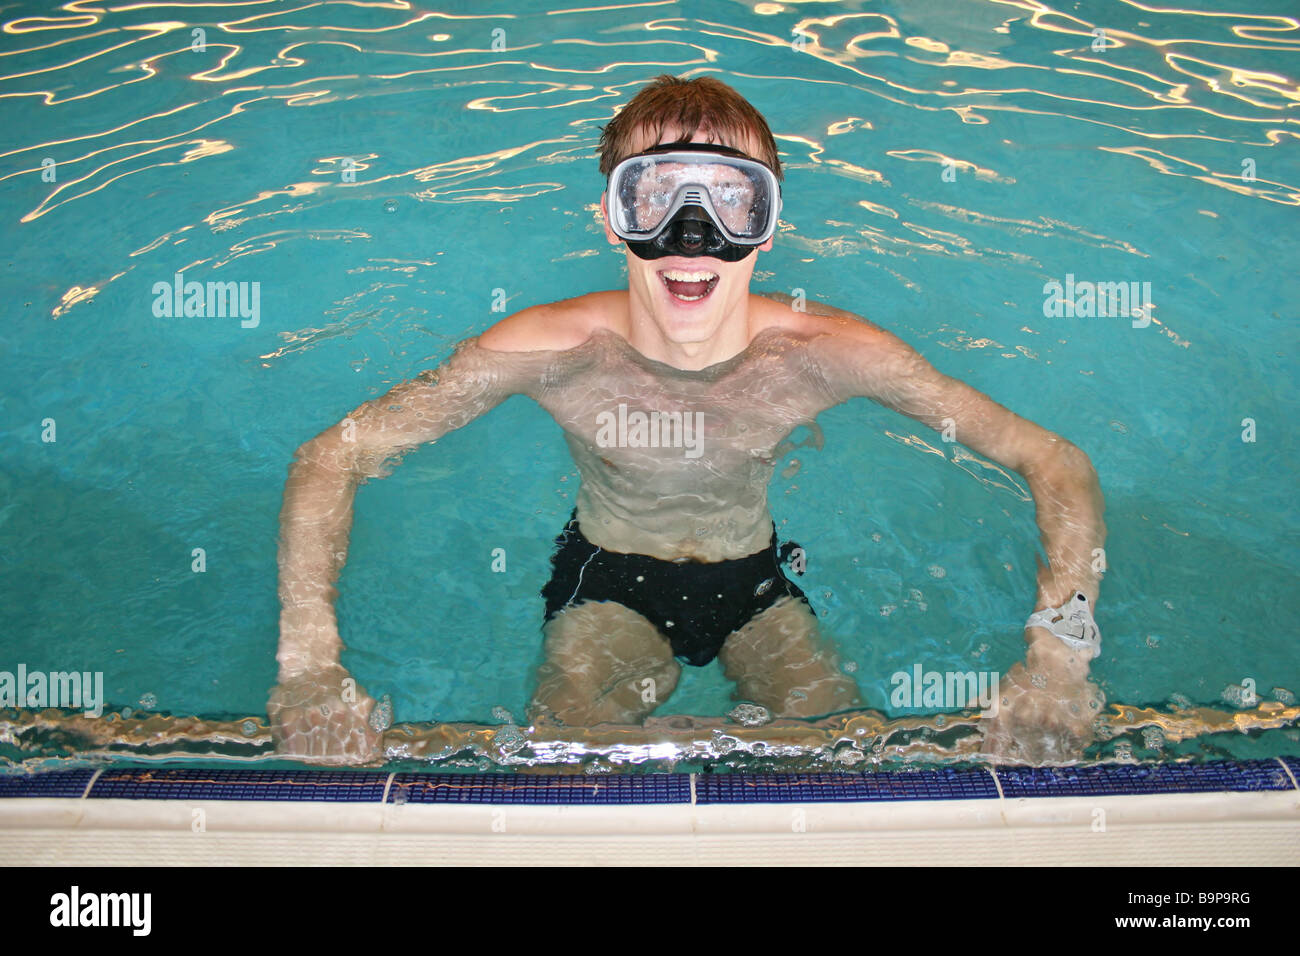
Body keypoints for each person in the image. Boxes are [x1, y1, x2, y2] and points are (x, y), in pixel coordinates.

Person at [267, 75, 1107, 764]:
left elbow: (1053, 460)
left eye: (730, 202)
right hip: (606, 584)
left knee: (855, 767)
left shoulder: (827, 353)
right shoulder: (549, 350)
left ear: (767, 227)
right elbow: (332, 456)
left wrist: (1059, 660)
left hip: (757, 583)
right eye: (656, 197)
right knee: (564, 776)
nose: (691, 237)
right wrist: (308, 663)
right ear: (611, 218)